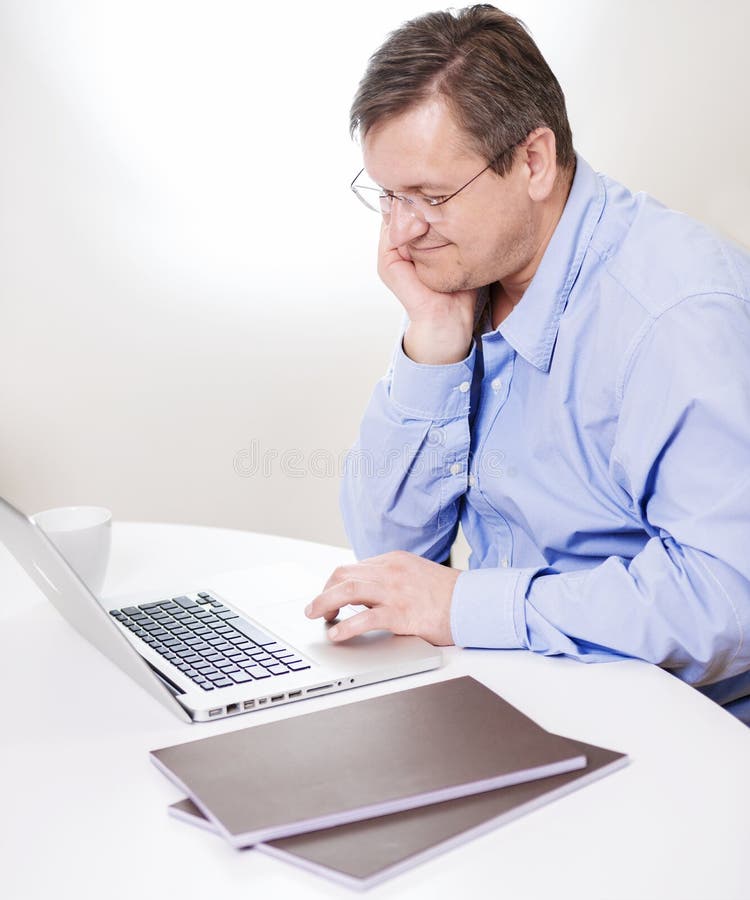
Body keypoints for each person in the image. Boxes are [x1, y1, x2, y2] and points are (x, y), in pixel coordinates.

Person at [304, 4, 750, 723]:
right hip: (525, 693)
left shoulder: (672, 316)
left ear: (534, 161)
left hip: (679, 730)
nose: (403, 231)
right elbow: (389, 550)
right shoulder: (471, 278)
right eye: (388, 196)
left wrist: (467, 606)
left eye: (432, 196)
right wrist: (433, 340)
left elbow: (725, 603)